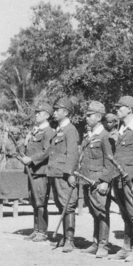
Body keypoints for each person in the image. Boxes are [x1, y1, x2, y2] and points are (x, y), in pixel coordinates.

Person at [108, 95, 133, 261]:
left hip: (131, 177)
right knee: (125, 213)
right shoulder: (123, 128)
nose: (117, 110)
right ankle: (126, 247)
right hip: (119, 176)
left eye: (120, 108)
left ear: (129, 110)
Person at [78, 101, 116, 257]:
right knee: (94, 212)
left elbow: (110, 161)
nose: (86, 118)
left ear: (99, 117)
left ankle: (103, 245)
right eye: (86, 115)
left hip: (99, 181)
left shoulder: (105, 136)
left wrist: (106, 181)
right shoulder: (89, 135)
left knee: (102, 212)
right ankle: (95, 242)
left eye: (90, 115)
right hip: (88, 179)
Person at [47, 97, 80, 251]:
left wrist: (70, 173)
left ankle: (69, 240)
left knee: (69, 206)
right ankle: (64, 237)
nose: (54, 113)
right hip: (56, 173)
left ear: (66, 112)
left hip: (64, 174)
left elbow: (72, 153)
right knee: (61, 206)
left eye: (57, 110)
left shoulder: (70, 130)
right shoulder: (60, 129)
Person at [21, 103, 55, 242]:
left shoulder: (48, 131)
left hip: (40, 171)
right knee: (34, 200)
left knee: (40, 201)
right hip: (32, 171)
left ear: (47, 115)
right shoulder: (35, 131)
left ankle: (42, 232)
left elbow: (46, 151)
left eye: (39, 113)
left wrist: (31, 159)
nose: (36, 115)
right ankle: (36, 229)